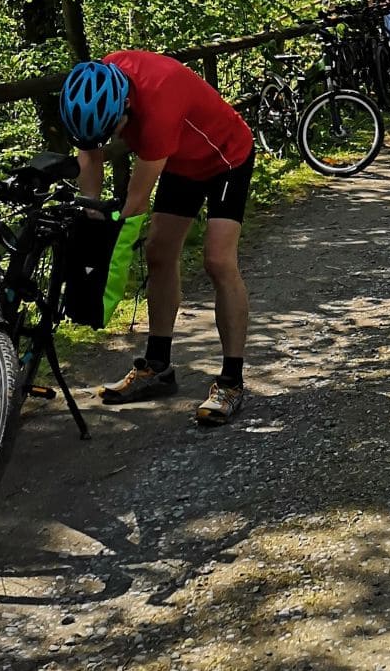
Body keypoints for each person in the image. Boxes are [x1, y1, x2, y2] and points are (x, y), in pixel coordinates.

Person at [60, 54, 254, 429]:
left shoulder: (158, 103)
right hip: (180, 161)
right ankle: (158, 367)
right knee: (159, 253)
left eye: (113, 129)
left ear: (127, 106)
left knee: (218, 261)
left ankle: (231, 381)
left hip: (226, 158)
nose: (111, 139)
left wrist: (101, 264)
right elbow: (90, 159)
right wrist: (90, 214)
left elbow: (135, 204)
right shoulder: (94, 90)